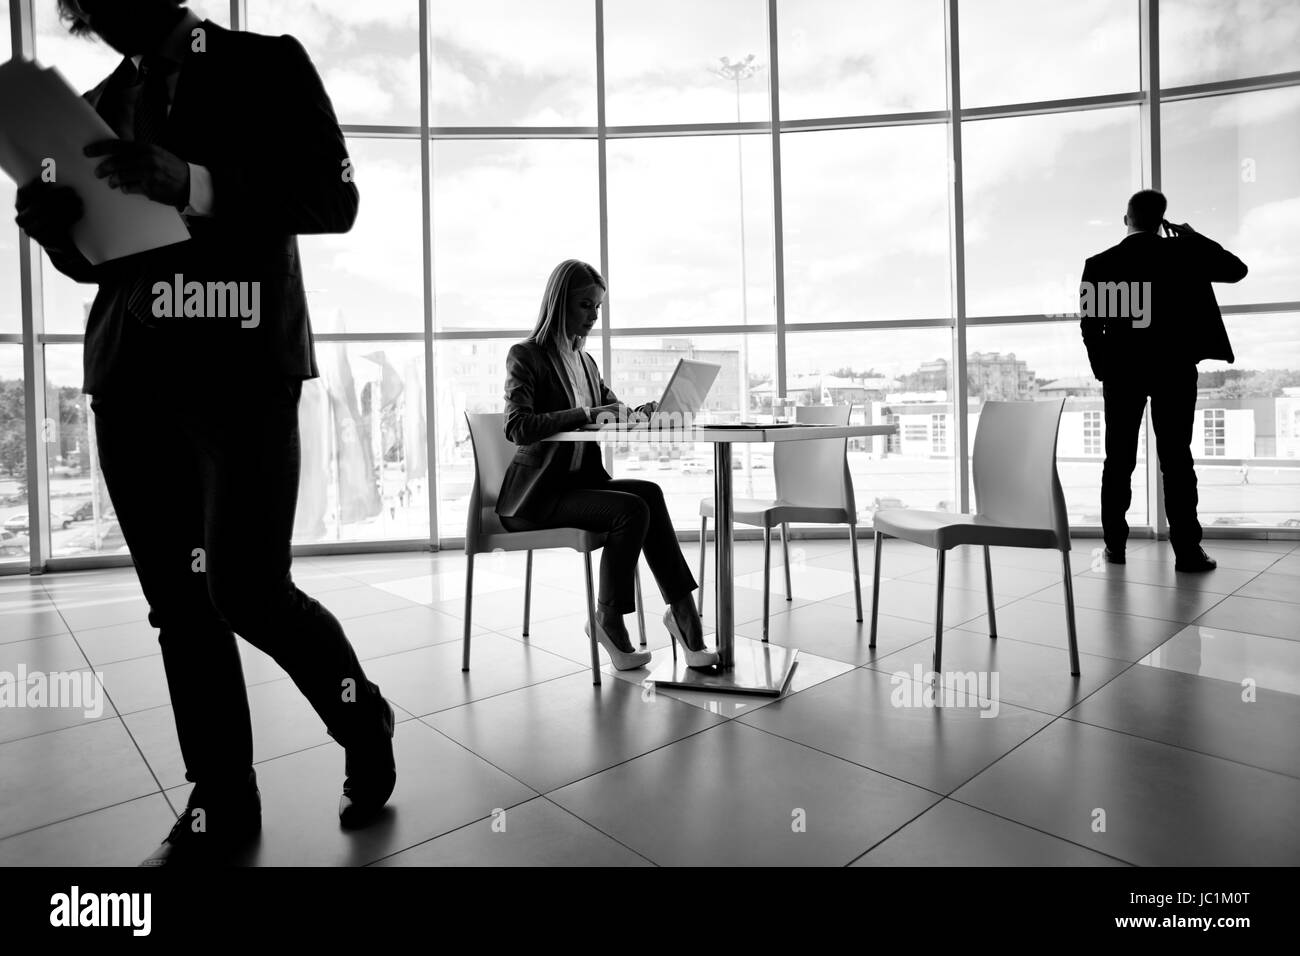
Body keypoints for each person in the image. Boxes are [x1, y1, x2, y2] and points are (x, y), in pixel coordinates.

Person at [13, 0, 395, 865]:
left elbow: (334, 199)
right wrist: (51, 231)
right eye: (82, 7)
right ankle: (221, 797)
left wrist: (192, 180)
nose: (98, 19)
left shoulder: (268, 64)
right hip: (130, 374)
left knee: (248, 588)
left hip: (242, 367)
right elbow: (98, 256)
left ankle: (359, 713)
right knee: (179, 607)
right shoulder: (98, 103)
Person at [497, 260, 717, 669]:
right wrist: (583, 412)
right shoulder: (526, 356)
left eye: (597, 307)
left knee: (649, 492)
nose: (593, 316)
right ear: (560, 302)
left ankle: (681, 611)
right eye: (585, 305)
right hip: (537, 497)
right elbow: (517, 426)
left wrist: (642, 413)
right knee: (631, 509)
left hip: (578, 484)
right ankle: (609, 618)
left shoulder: (585, 361)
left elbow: (608, 410)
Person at [1079, 189, 1248, 572]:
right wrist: (1192, 237)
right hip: (1174, 368)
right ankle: (1187, 551)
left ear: (1127, 219)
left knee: (1118, 460)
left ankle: (1115, 548)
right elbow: (1237, 270)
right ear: (1162, 220)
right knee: (1176, 460)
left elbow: (1091, 327)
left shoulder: (1100, 263)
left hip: (1122, 371)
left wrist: (1104, 369)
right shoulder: (1184, 252)